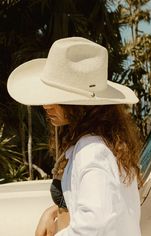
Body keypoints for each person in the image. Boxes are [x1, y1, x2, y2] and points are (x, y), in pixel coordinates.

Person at [7, 37, 142, 236]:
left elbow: (97, 224)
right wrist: (54, 210)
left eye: (57, 97)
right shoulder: (104, 144)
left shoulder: (92, 150)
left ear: (81, 105)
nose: (46, 105)